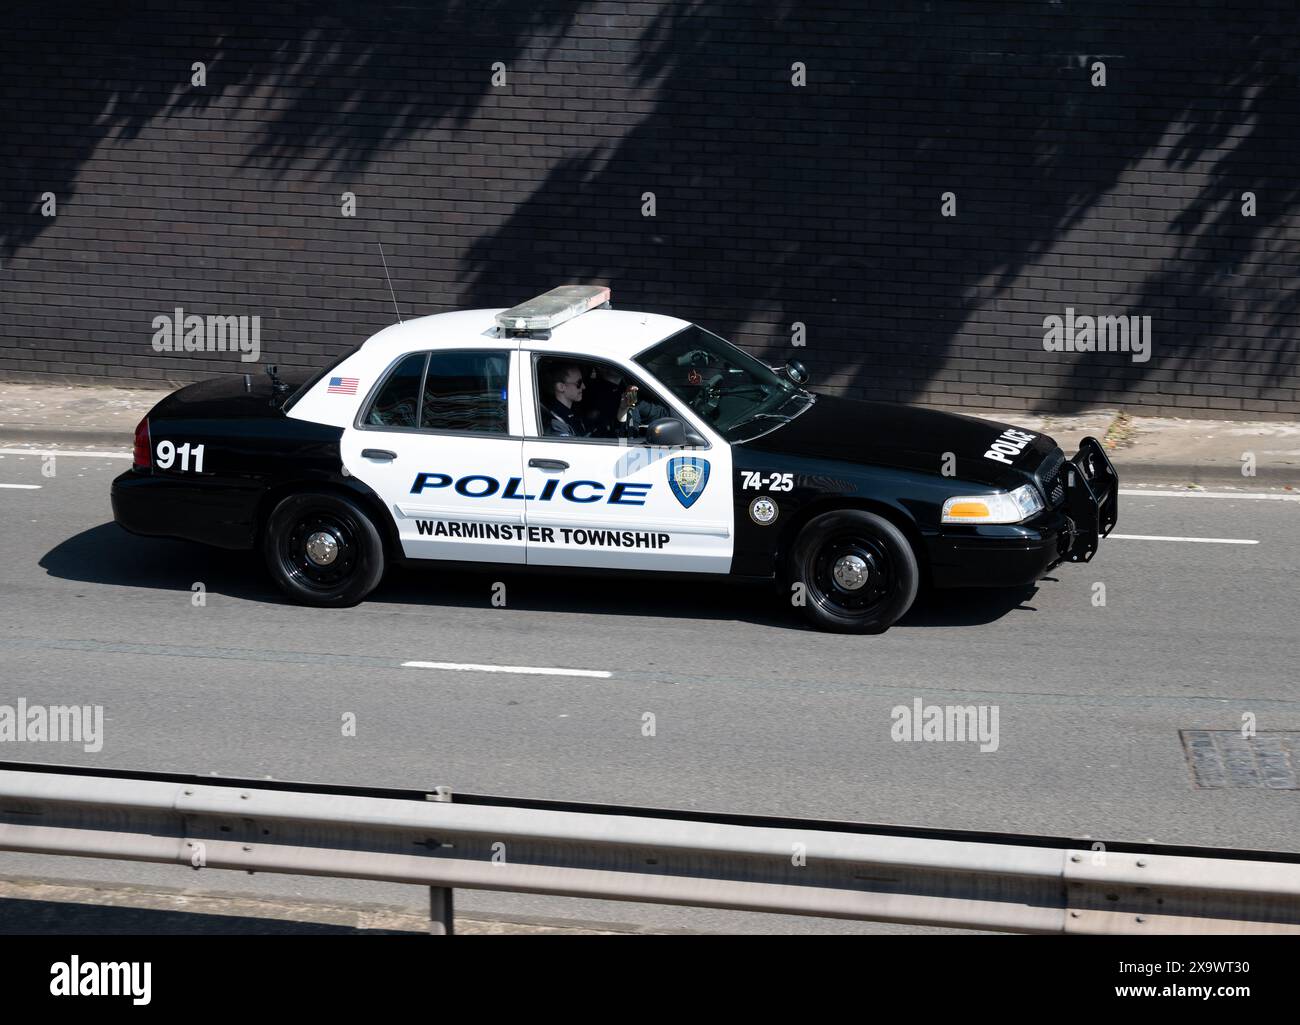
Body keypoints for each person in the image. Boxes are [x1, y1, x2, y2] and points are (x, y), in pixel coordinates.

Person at [540, 363, 593, 437]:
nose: (583, 387)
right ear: (561, 387)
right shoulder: (556, 421)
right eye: (579, 383)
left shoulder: (573, 411)